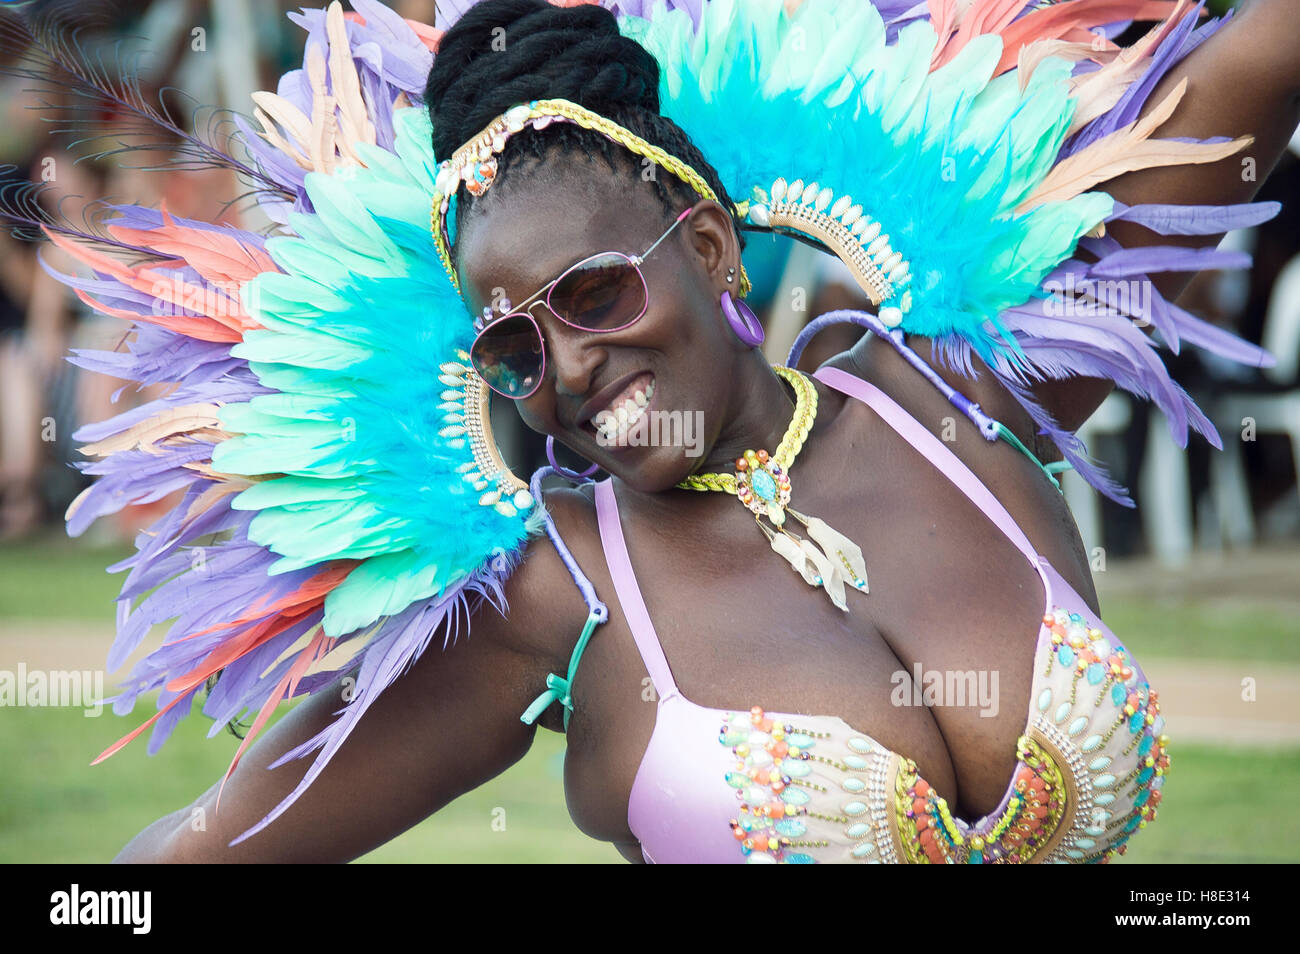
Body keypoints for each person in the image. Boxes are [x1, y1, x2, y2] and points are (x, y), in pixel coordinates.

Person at [19, 0, 1297, 863]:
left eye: (594, 294)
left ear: (712, 248)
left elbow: (1256, 71)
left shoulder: (952, 400)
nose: (570, 368)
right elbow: (199, 855)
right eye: (515, 348)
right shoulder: (547, 601)